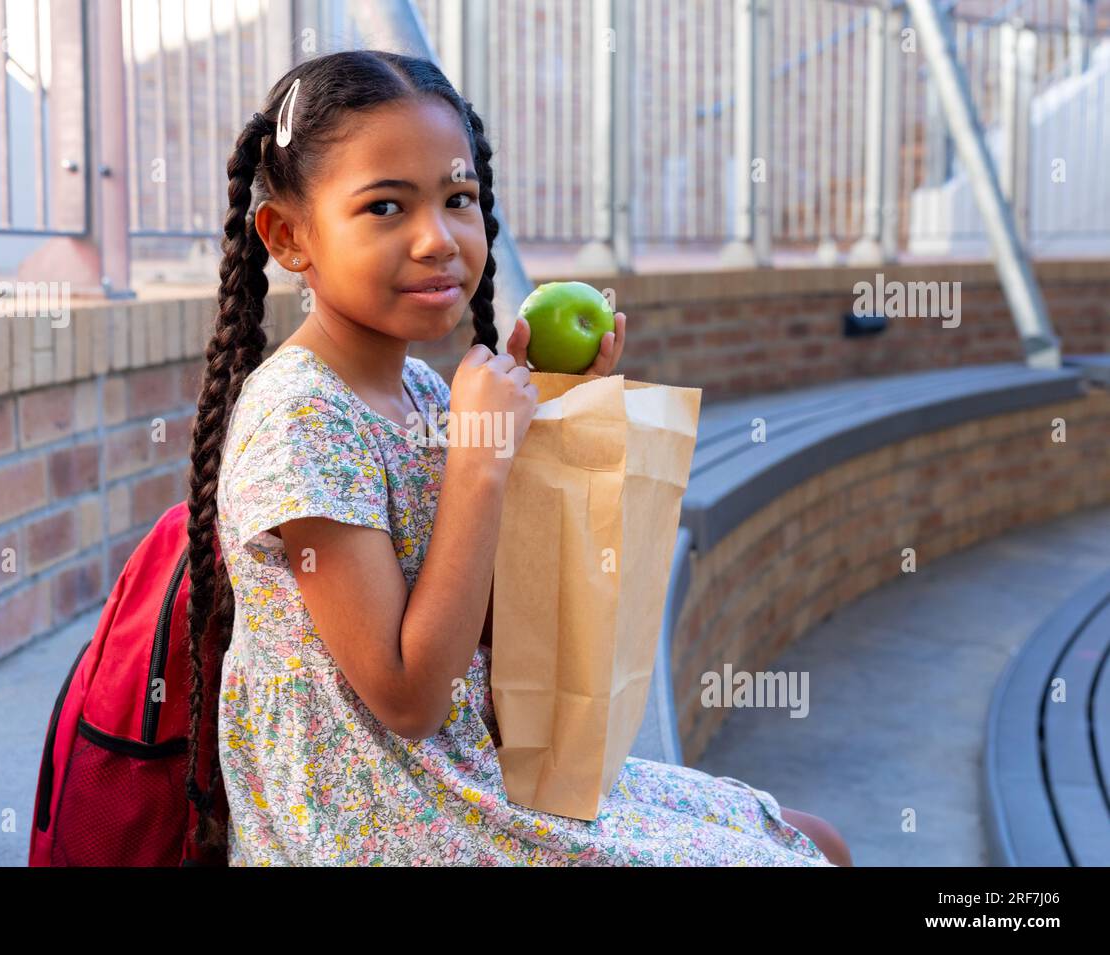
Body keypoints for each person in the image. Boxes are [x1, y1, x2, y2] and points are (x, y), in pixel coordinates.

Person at [182, 49, 851, 867]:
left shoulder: (429, 397)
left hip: (466, 774)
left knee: (815, 838)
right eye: (386, 207)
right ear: (290, 237)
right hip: (382, 822)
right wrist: (480, 460)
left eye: (458, 199)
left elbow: (493, 635)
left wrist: (551, 432)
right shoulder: (303, 419)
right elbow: (408, 695)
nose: (438, 239)